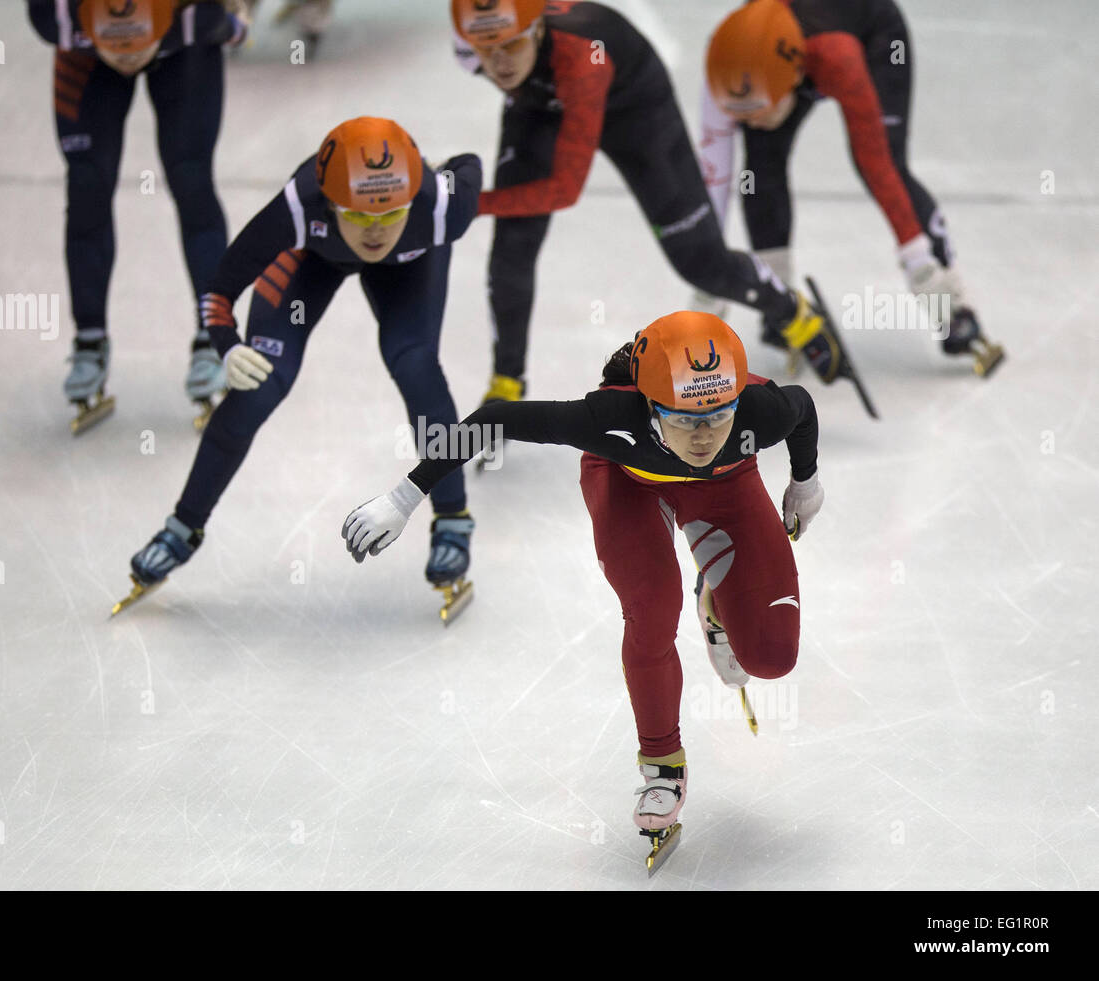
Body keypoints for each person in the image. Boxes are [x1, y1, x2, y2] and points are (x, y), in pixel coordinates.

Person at [343, 310, 823, 866]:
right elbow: (494, 418)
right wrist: (402, 499)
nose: (704, 436)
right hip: (625, 479)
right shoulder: (607, 417)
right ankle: (661, 765)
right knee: (651, 609)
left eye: (718, 416)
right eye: (685, 419)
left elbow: (803, 407)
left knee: (770, 658)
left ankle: (717, 598)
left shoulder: (759, 412)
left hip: (725, 485)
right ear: (649, 405)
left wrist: (805, 480)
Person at [116, 117, 483, 621]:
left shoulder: (443, 206)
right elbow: (221, 288)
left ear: (412, 197)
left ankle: (452, 519)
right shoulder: (298, 204)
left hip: (409, 265)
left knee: (415, 363)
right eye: (358, 216)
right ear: (330, 204)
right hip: (314, 259)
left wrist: (428, 181)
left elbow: (468, 165)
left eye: (388, 214)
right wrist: (225, 344)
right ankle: (183, 526)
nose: (374, 232)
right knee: (260, 385)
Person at [449, 0, 845, 411]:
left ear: (536, 29)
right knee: (513, 243)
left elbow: (564, 189)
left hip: (633, 109)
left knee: (700, 261)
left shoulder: (585, 57)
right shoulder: (470, 44)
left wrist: (472, 203)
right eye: (485, 48)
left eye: (511, 45)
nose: (499, 63)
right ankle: (506, 383)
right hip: (540, 103)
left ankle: (794, 312)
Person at [700, 0, 1003, 375]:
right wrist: (709, 276)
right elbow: (715, 178)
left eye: (757, 110)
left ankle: (953, 302)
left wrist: (921, 268)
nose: (749, 121)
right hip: (780, 53)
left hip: (871, 36)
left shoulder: (837, 59)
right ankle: (777, 293)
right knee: (760, 164)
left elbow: (879, 164)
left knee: (882, 162)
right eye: (737, 114)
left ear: (792, 81)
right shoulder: (725, 66)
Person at [26, 0, 250, 433]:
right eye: (118, 45)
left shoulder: (199, 16)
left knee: (192, 181)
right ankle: (89, 338)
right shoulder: (55, 15)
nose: (127, 57)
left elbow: (228, 22)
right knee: (87, 186)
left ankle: (212, 334)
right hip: (89, 56)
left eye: (135, 44)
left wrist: (235, 23)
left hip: (182, 51)